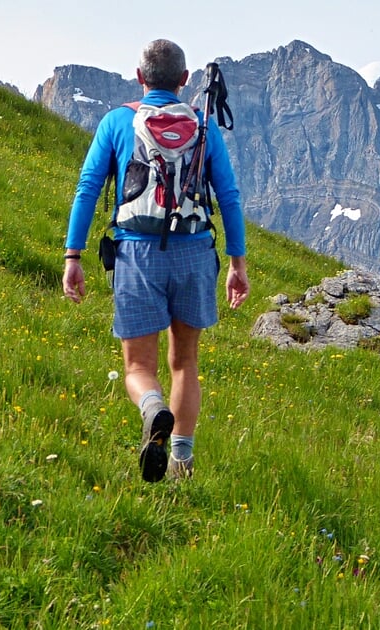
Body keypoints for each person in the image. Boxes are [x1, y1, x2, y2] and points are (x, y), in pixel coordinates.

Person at [62, 39, 249, 482]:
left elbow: (88, 188)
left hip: (137, 253)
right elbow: (229, 196)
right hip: (195, 254)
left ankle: (153, 408)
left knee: (138, 367)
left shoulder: (117, 122)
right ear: (184, 80)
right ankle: (181, 462)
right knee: (185, 362)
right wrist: (237, 264)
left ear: (139, 77)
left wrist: (74, 254)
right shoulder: (203, 126)